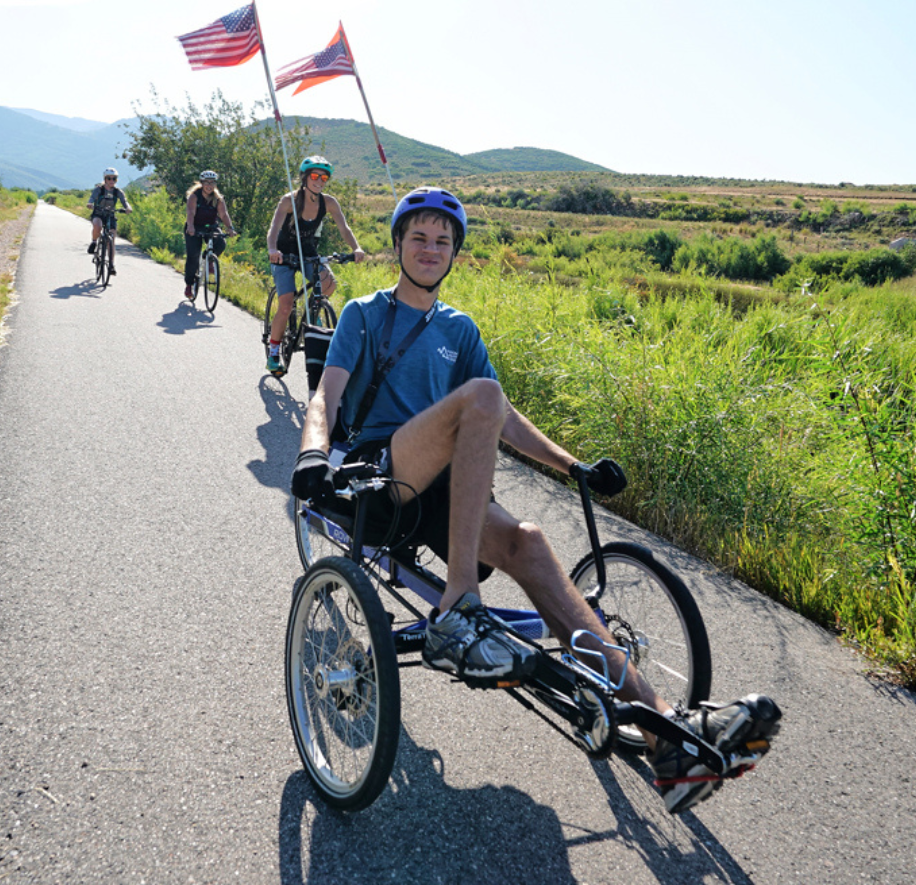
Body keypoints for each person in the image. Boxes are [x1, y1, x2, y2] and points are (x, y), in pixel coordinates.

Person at [292, 186, 780, 814]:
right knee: (482, 398)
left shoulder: (458, 328)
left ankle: (671, 740)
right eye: (419, 237)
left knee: (529, 541)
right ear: (397, 244)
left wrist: (573, 465)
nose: (431, 249)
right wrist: (311, 453)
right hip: (388, 472)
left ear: (455, 253)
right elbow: (324, 398)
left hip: (448, 496)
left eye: (444, 240)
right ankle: (457, 608)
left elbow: (507, 418)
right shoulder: (364, 313)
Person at [265, 156, 364, 373]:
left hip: (308, 252)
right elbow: (273, 230)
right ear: (304, 178)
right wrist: (273, 250)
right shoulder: (288, 201)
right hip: (284, 255)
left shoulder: (329, 202)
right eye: (315, 176)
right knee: (286, 304)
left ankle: (314, 308)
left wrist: (356, 248)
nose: (320, 180)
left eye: (324, 177)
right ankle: (273, 352)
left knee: (329, 285)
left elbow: (344, 228)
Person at [183, 170, 236, 301]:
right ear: (202, 183)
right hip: (194, 227)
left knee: (220, 243)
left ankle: (210, 260)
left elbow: (223, 215)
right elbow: (190, 212)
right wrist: (190, 226)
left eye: (212, 183)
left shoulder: (218, 199)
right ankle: (189, 284)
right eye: (207, 182)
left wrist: (230, 228)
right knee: (193, 256)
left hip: (211, 226)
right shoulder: (194, 196)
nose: (209, 185)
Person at [87, 168, 132, 275]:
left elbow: (124, 201)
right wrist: (90, 203)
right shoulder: (99, 189)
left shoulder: (118, 191)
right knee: (97, 226)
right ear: (105, 179)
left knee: (111, 239)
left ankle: (111, 264)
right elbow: (92, 198)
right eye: (109, 178)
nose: (112, 180)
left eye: (114, 179)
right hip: (98, 213)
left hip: (110, 215)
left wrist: (128, 208)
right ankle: (94, 242)